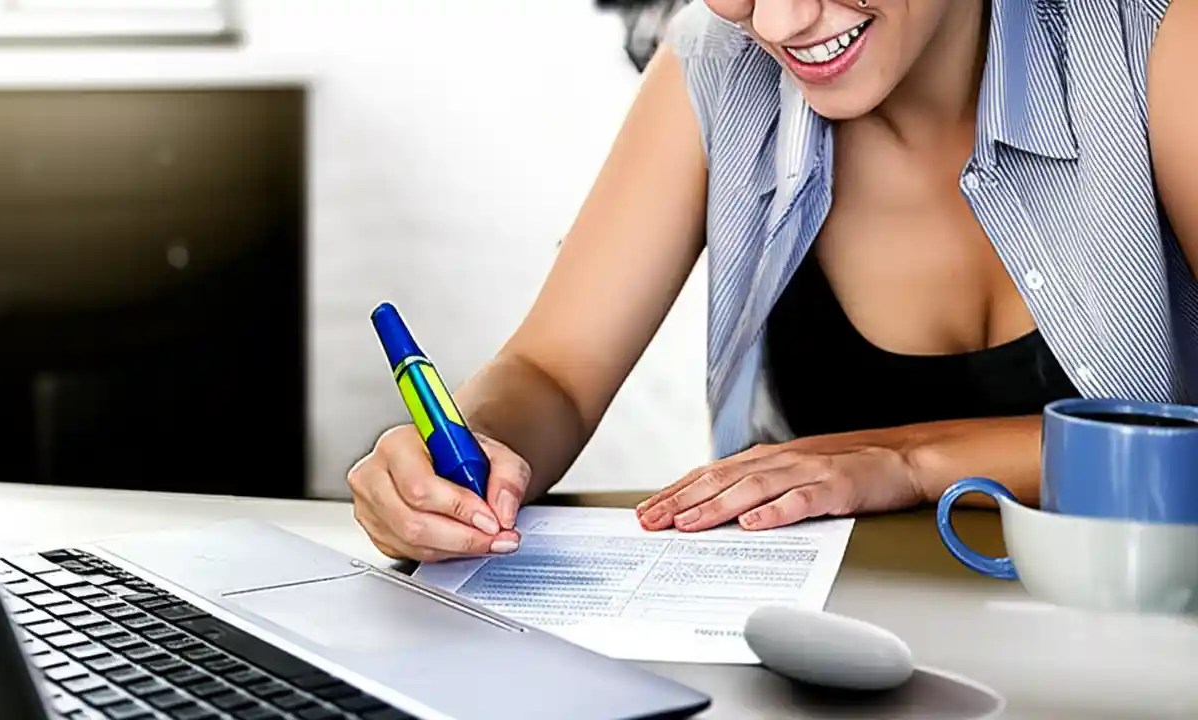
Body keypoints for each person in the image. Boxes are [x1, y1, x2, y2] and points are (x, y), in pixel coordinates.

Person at [348, 0, 1198, 563]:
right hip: (826, 665)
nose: (783, 20)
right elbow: (553, 376)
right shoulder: (715, 66)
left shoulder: (1156, 37)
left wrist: (911, 461)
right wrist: (470, 452)